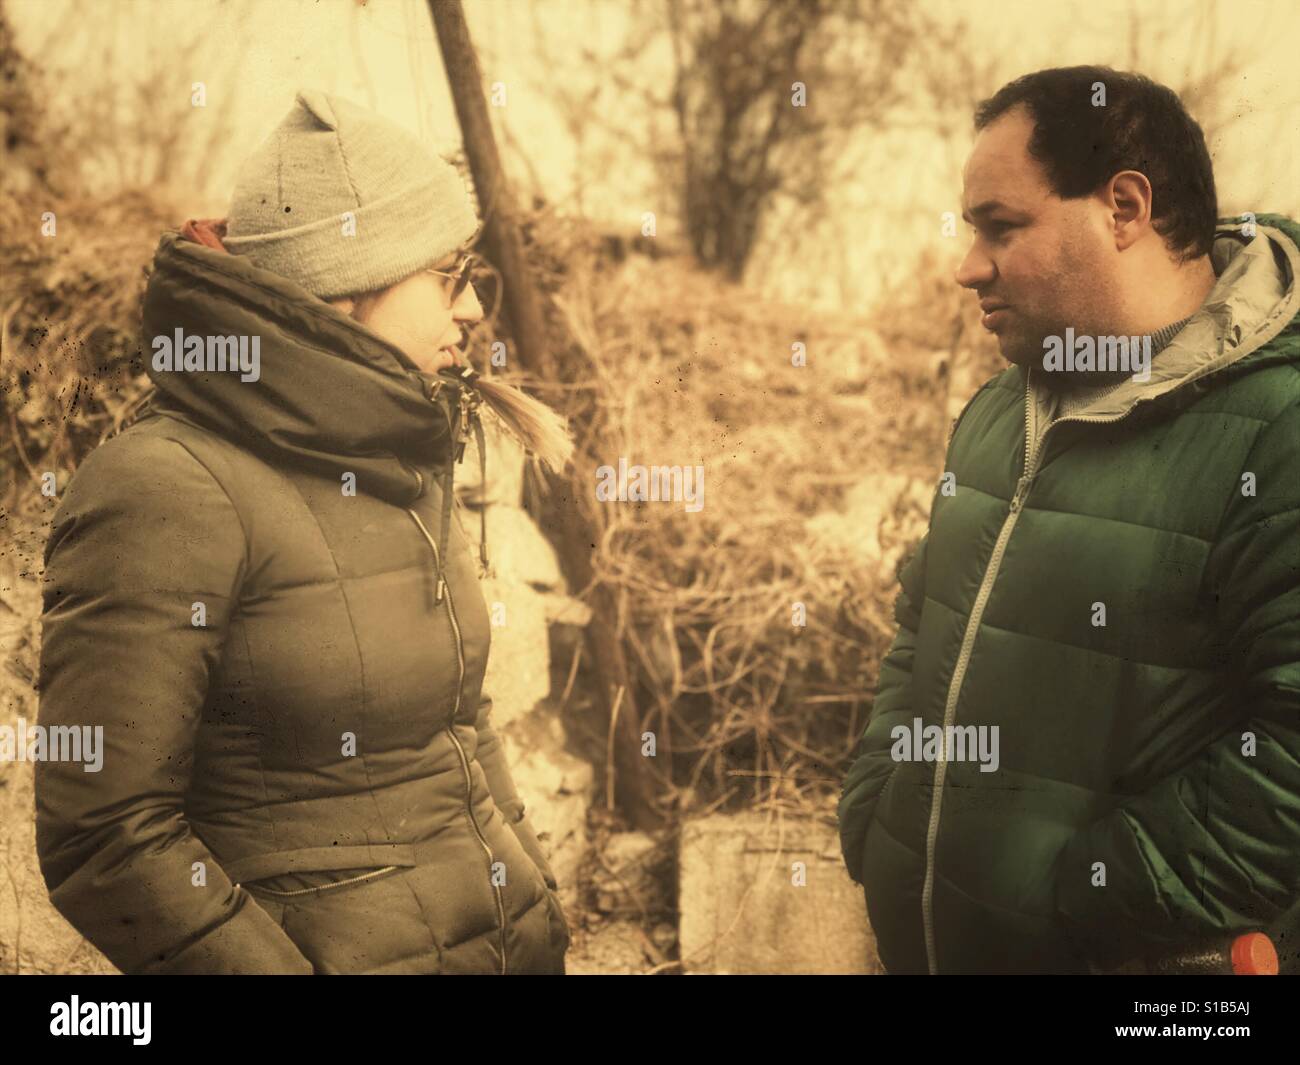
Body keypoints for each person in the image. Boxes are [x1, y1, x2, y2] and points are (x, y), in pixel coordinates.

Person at [35, 89, 574, 975]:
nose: (473, 308)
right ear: (348, 285)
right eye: (447, 274)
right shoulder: (168, 485)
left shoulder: (402, 459)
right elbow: (106, 836)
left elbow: (459, 723)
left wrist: (535, 897)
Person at [838, 66, 1300, 974]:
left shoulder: (1279, 432)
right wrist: (879, 808)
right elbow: (916, 627)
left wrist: (1087, 896)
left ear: (1124, 208)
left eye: (1000, 227)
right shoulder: (994, 414)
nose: (968, 265)